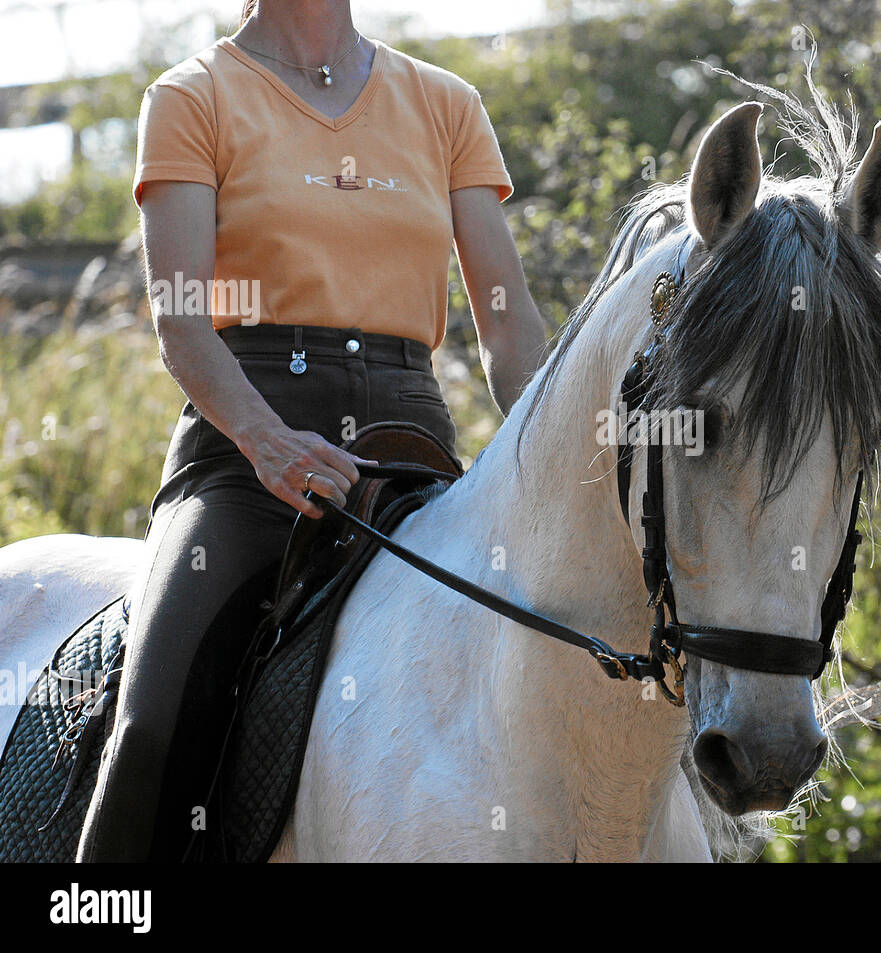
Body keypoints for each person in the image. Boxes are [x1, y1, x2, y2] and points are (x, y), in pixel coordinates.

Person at [77, 0, 547, 861]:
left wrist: (550, 459)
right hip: (245, 451)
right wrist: (266, 439)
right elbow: (181, 318)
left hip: (413, 448)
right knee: (153, 720)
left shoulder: (446, 104)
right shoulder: (192, 97)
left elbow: (508, 327)